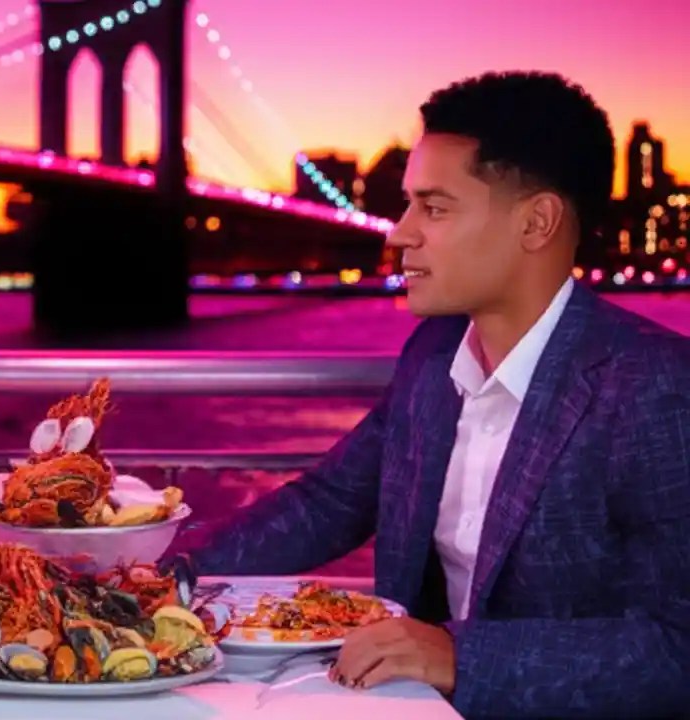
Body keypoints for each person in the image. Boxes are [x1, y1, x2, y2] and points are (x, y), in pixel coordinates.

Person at [193, 71, 690, 718]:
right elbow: (329, 501)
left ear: (536, 222)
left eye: (433, 208)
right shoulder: (433, 356)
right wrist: (168, 575)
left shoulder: (655, 387)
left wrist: (458, 655)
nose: (397, 234)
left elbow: (677, 650)